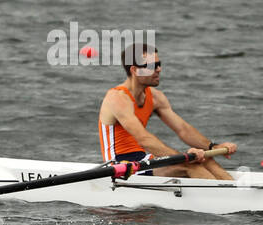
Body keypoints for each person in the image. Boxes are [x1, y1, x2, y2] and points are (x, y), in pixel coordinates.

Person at [98, 43, 237, 179]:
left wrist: (213, 146)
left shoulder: (156, 97)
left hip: (143, 159)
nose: (159, 69)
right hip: (120, 166)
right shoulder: (117, 98)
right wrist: (181, 159)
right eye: (152, 66)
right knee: (190, 165)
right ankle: (221, 198)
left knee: (205, 159)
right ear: (134, 70)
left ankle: (232, 192)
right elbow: (144, 139)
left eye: (159, 64)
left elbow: (183, 129)